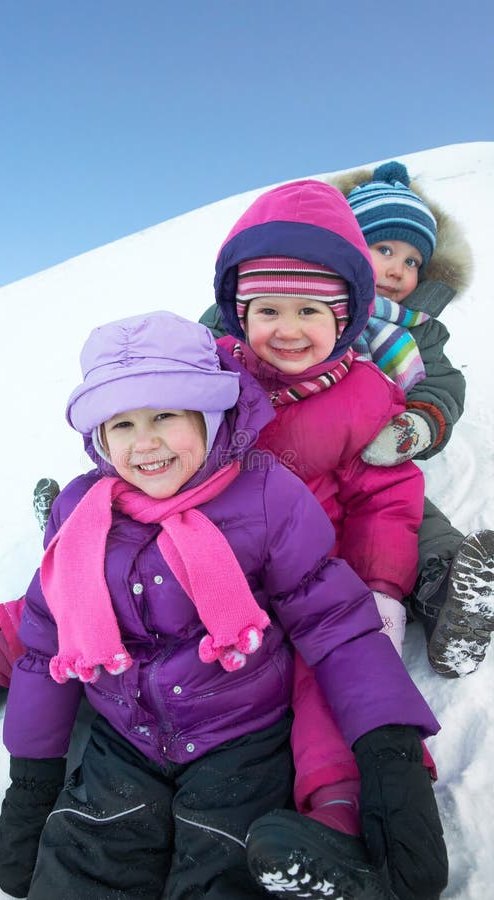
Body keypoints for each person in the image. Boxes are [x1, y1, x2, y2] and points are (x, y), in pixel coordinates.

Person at [0, 310, 445, 900]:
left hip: (242, 742)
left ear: (210, 414)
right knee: (82, 874)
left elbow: (335, 624)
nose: (145, 442)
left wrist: (390, 749)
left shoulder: (263, 496)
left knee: (219, 875)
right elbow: (47, 645)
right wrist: (30, 778)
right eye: (121, 424)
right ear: (98, 437)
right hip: (122, 746)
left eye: (165, 416)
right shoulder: (80, 514)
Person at [202, 160, 494, 679]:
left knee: (399, 506)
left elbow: (443, 385)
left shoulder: (420, 331)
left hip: (370, 441)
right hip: (271, 432)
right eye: (383, 250)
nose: (399, 269)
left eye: (412, 261)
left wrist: (418, 425)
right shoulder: (292, 295)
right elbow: (214, 335)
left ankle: (444, 586)